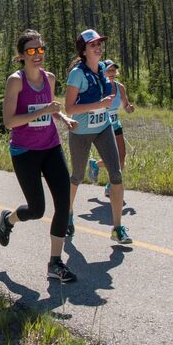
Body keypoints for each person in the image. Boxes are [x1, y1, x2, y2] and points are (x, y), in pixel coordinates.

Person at [0, 30, 79, 283]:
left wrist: (63, 117)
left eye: (41, 49)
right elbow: (10, 121)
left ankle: (55, 263)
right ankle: (8, 219)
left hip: (51, 146)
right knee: (36, 209)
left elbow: (50, 109)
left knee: (64, 203)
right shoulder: (16, 81)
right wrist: (43, 110)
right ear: (21, 55)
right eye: (31, 51)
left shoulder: (49, 78)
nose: (37, 55)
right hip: (25, 152)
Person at [64, 29, 131, 244]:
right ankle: (68, 213)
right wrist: (98, 105)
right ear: (84, 50)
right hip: (81, 132)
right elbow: (70, 108)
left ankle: (117, 227)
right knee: (76, 177)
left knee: (116, 174)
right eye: (93, 45)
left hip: (104, 127)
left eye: (100, 43)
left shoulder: (102, 69)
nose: (98, 47)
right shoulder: (77, 74)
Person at [90, 59, 135, 197]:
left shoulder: (120, 87)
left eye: (114, 70)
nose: (112, 72)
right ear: (103, 71)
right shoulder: (100, 86)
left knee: (122, 156)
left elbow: (126, 105)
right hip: (104, 125)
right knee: (112, 157)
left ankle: (109, 182)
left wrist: (129, 108)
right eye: (109, 70)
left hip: (116, 124)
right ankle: (99, 168)